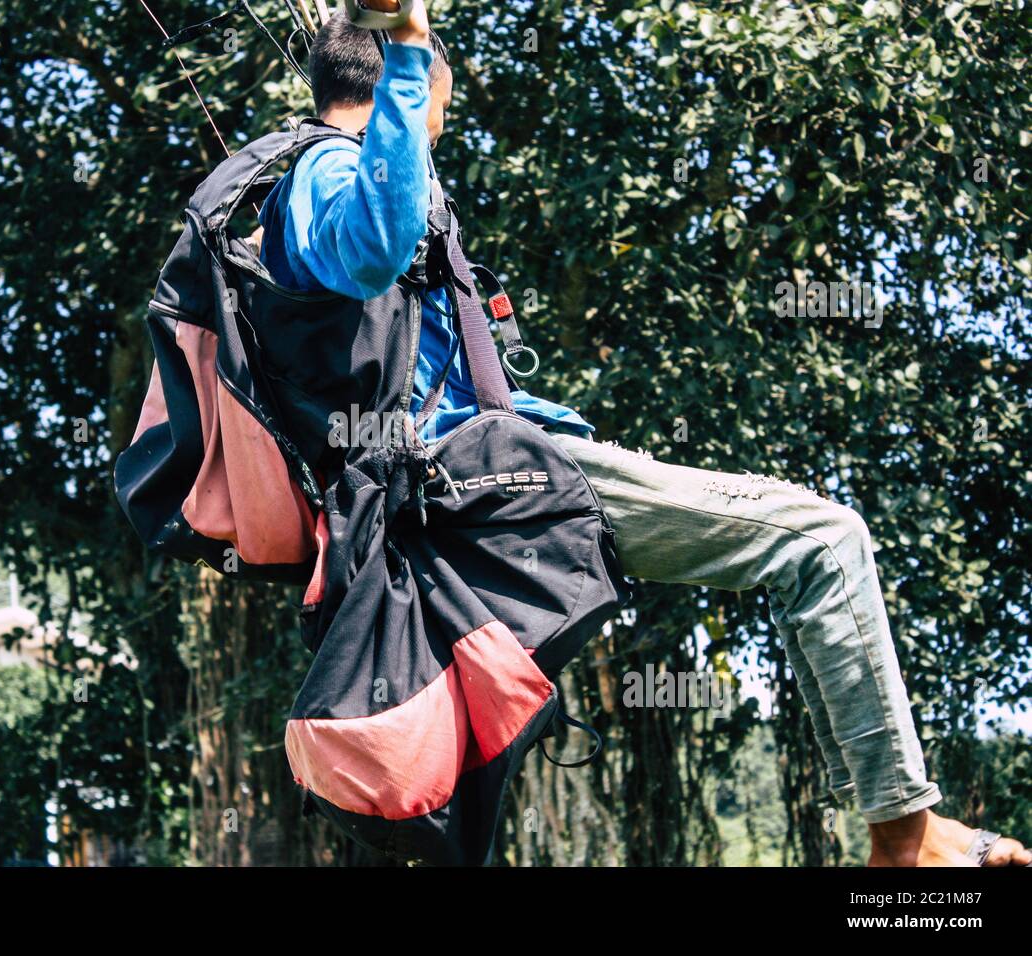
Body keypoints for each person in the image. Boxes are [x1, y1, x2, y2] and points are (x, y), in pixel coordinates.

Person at [257, 4, 1029, 868]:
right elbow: (372, 249)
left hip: (500, 470)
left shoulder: (330, 177)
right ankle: (903, 836)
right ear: (419, 89)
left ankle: (903, 828)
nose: (439, 122)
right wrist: (408, 45)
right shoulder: (324, 174)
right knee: (823, 538)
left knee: (809, 550)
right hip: (472, 485)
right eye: (437, 102)